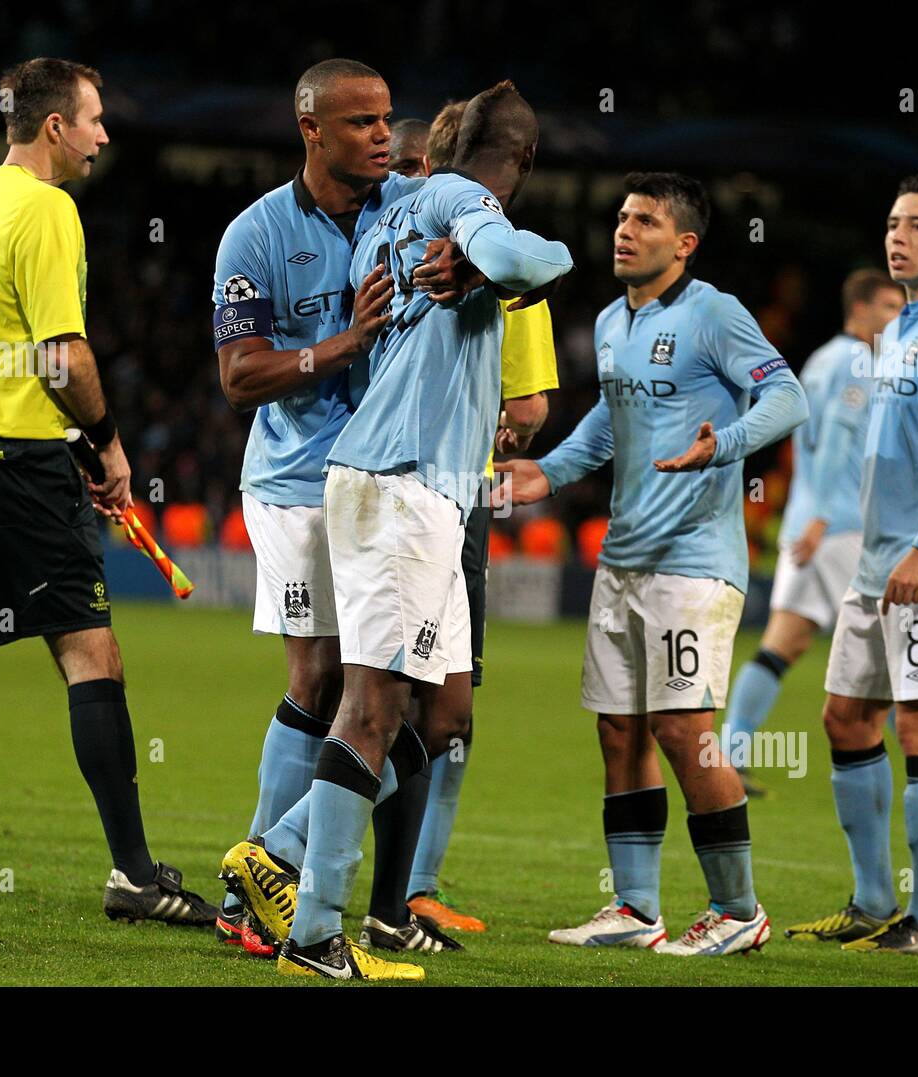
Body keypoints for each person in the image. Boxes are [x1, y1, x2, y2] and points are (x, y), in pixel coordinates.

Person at [226, 80, 573, 980]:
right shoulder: (460, 202)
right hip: (401, 485)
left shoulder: (395, 216)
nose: (382, 140)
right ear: (524, 163)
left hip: (418, 488)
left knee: (436, 706)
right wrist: (504, 254)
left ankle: (284, 855)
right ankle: (311, 930)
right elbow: (534, 263)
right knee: (367, 702)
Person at [0, 57, 217, 927]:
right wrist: (105, 446)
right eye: (94, 119)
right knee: (91, 654)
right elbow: (62, 355)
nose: (103, 136)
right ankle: (136, 875)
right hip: (14, 469)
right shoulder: (49, 210)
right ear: (55, 126)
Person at [499, 172, 808, 956]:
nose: (625, 230)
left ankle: (738, 909)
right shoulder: (611, 321)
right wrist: (550, 472)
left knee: (683, 730)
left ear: (685, 243)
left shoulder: (716, 314)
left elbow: (787, 396)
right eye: (622, 217)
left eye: (645, 220)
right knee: (619, 730)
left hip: (694, 562)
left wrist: (725, 444)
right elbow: (609, 419)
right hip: (624, 557)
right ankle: (635, 908)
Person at [211, 60, 471, 956]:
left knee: (434, 709)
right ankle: (261, 890)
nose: (384, 138)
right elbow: (241, 376)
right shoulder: (255, 235)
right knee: (322, 681)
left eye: (389, 120)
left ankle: (289, 877)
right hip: (298, 483)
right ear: (311, 129)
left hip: (401, 481)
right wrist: (343, 344)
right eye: (362, 123)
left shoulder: (410, 204)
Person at [786, 173, 918, 954]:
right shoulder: (902, 328)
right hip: (877, 570)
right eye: (891, 222)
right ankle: (874, 898)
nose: (897, 235)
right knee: (845, 716)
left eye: (916, 224)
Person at [721, 269, 903, 796]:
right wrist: (823, 515)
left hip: (819, 524)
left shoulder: (822, 360)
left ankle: (730, 756)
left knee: (788, 644)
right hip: (838, 529)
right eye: (890, 308)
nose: (897, 321)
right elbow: (838, 442)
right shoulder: (855, 361)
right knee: (892, 643)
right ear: (861, 308)